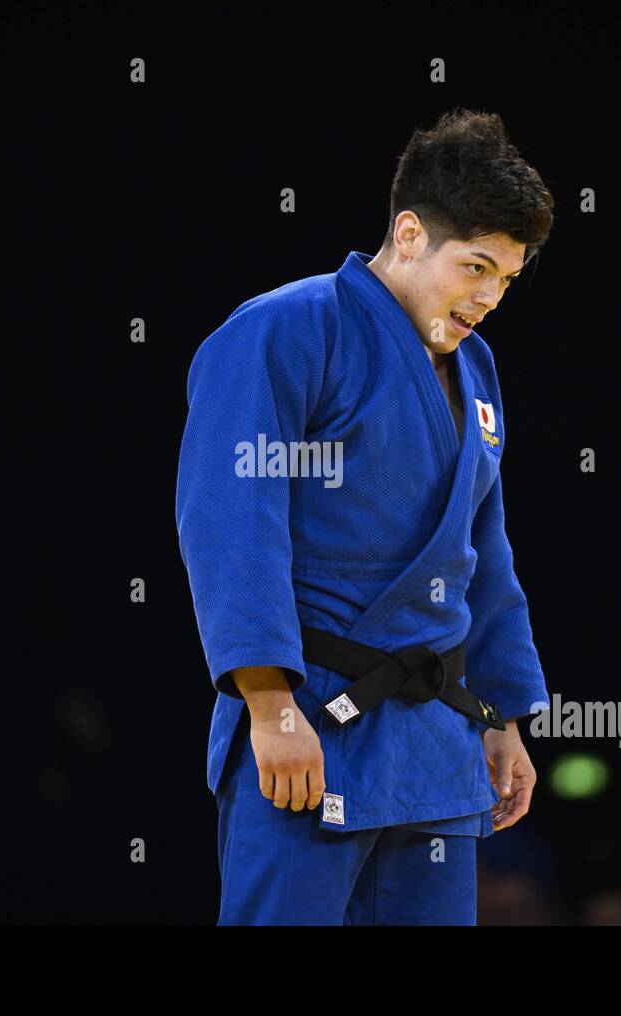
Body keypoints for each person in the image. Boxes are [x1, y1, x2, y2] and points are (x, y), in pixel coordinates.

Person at [175, 108, 555, 924]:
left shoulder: (476, 369)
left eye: (508, 280)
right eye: (476, 267)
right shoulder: (287, 330)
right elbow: (231, 526)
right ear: (410, 234)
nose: (489, 298)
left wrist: (501, 716)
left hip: (437, 745)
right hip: (315, 728)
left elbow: (480, 553)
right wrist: (269, 705)